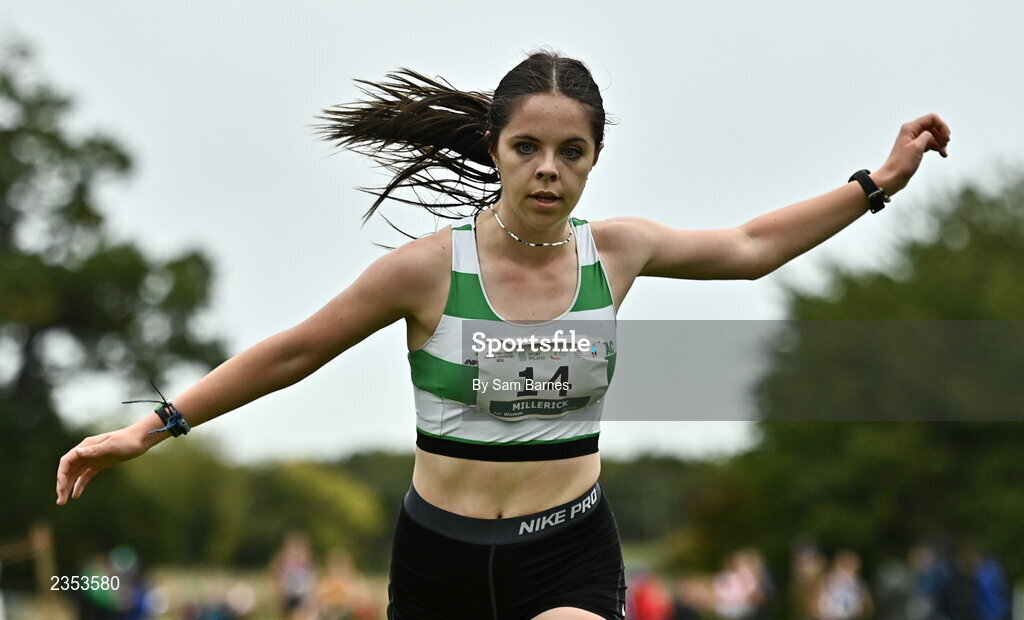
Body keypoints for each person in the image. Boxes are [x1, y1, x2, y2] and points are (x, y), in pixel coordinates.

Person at [55, 50, 950, 620]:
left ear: (596, 158)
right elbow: (293, 352)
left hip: (570, 551)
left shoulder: (621, 253)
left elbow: (752, 247)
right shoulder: (427, 270)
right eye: (528, 147)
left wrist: (879, 182)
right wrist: (150, 427)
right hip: (438, 557)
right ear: (495, 148)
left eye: (572, 152)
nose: (549, 170)